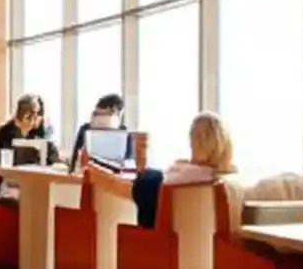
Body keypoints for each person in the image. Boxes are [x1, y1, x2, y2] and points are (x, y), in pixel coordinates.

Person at [86, 111, 236, 228]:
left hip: (162, 243)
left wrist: (92, 170)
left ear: (196, 142)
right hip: (193, 244)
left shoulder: (187, 179)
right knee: (150, 178)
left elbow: (123, 189)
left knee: (149, 181)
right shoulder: (221, 176)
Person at [68, 93, 133, 171]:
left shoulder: (124, 132)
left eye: (111, 113)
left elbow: (128, 159)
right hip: (89, 171)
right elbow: (75, 156)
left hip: (114, 174)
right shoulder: (85, 129)